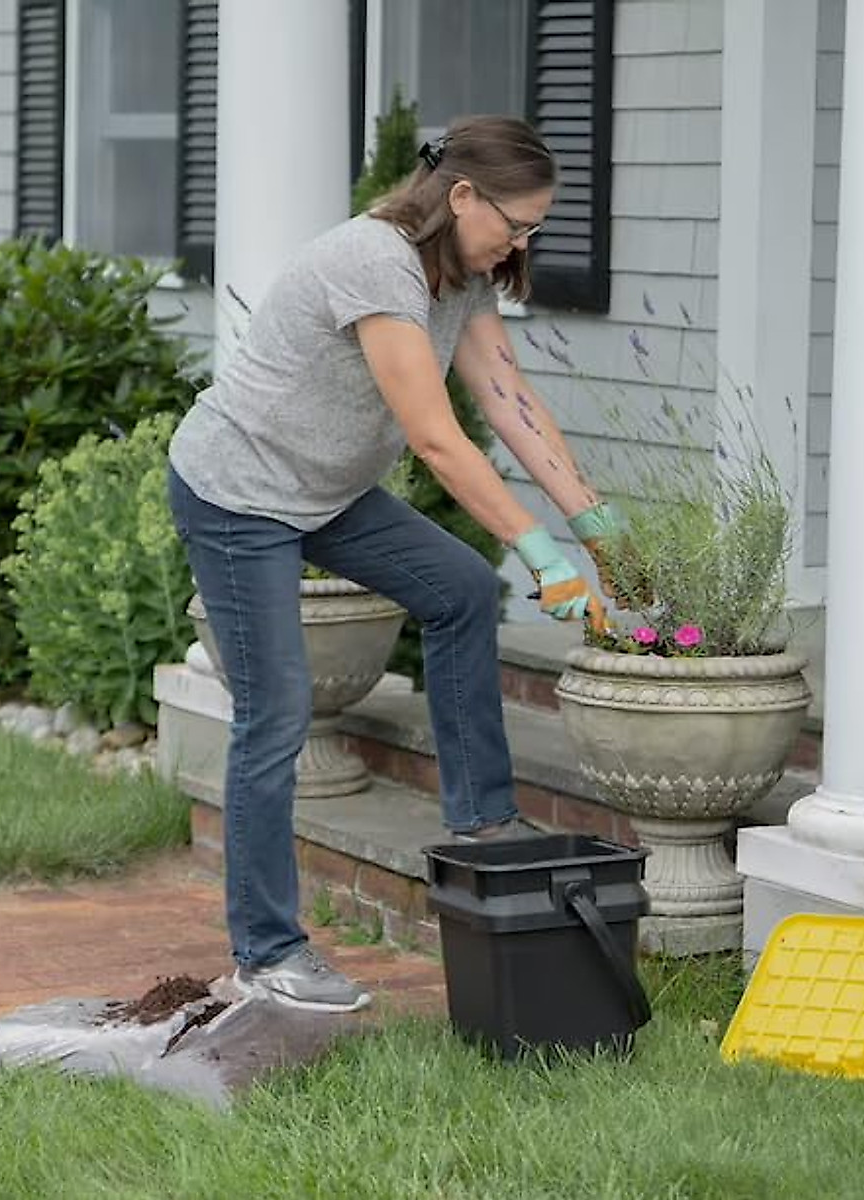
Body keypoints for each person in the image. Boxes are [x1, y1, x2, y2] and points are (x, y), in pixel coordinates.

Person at [168, 115, 628, 1013]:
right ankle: (267, 953)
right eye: (516, 224)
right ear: (461, 196)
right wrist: (541, 554)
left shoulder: (463, 275)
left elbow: (508, 398)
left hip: (327, 489)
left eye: (536, 229)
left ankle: (483, 820)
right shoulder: (373, 263)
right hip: (237, 490)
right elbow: (434, 436)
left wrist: (596, 525)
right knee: (276, 714)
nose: (523, 243)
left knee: (458, 589)